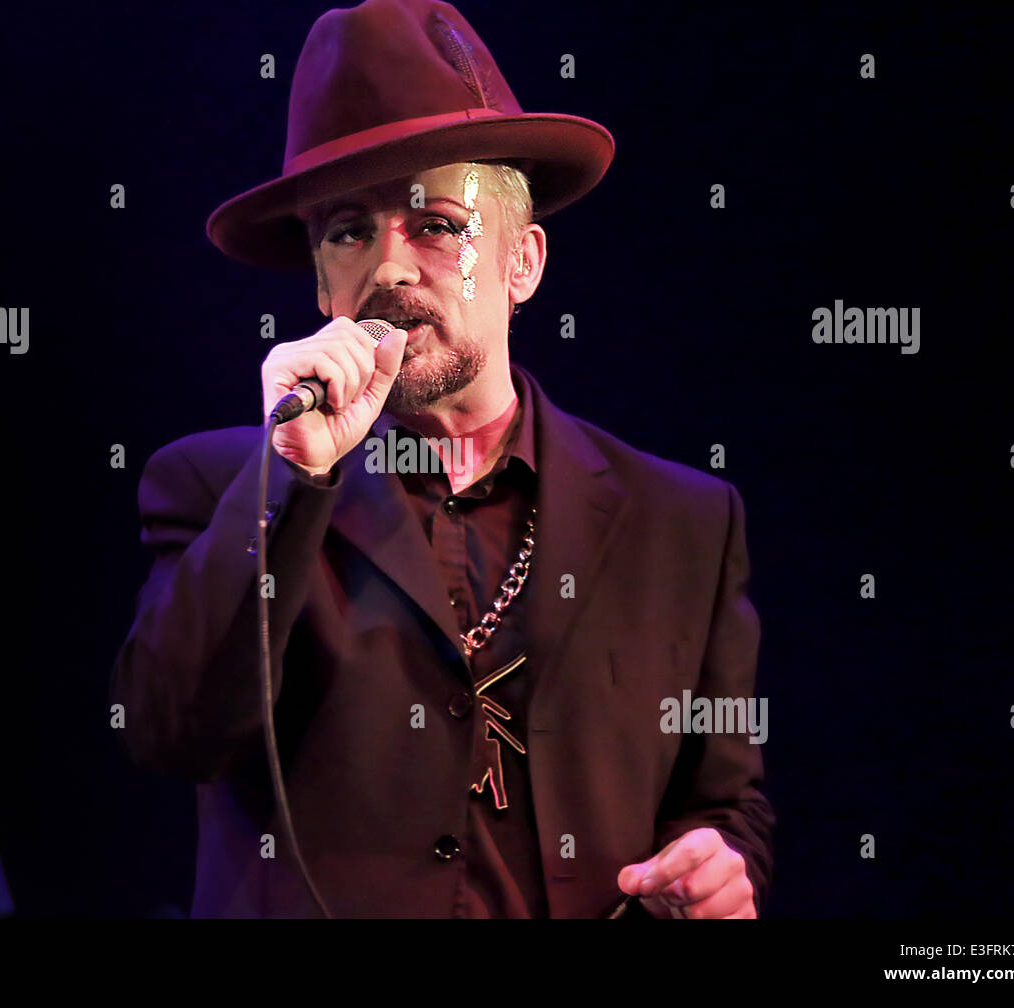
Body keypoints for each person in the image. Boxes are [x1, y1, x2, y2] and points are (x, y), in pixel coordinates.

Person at [111, 0, 774, 918]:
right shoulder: (225, 485)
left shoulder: (685, 522)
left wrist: (719, 861)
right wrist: (293, 476)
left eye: (438, 226)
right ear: (318, 282)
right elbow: (171, 735)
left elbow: (722, 804)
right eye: (348, 230)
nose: (390, 266)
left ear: (523, 262)